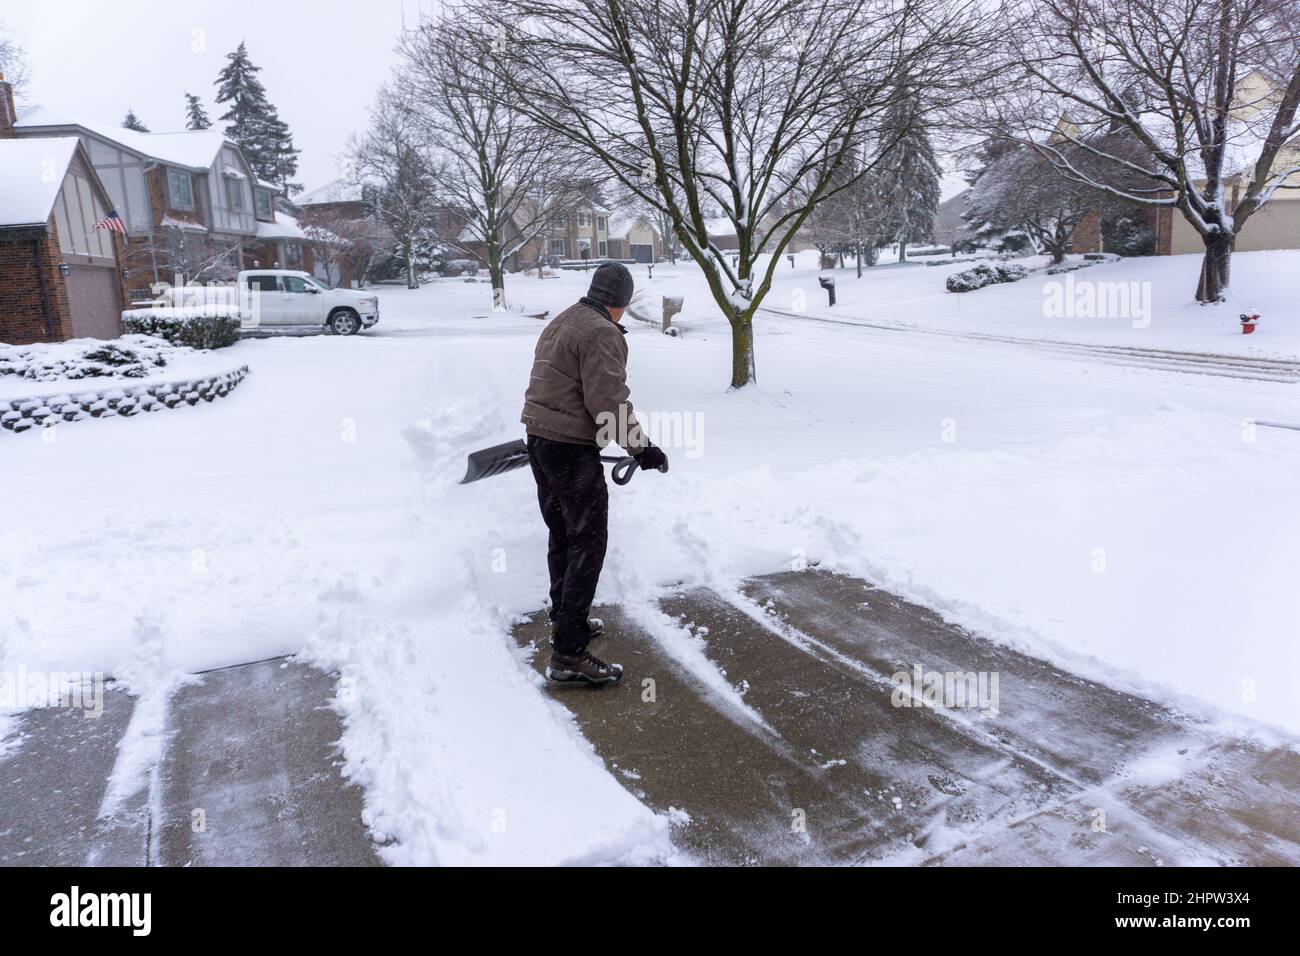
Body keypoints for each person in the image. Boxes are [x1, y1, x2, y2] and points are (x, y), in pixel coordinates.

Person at [521, 262, 668, 686]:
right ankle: (568, 654)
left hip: (541, 439)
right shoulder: (602, 331)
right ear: (620, 303)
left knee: (563, 532)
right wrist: (642, 449)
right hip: (569, 449)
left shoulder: (565, 318)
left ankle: (567, 617)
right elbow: (608, 402)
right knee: (588, 541)